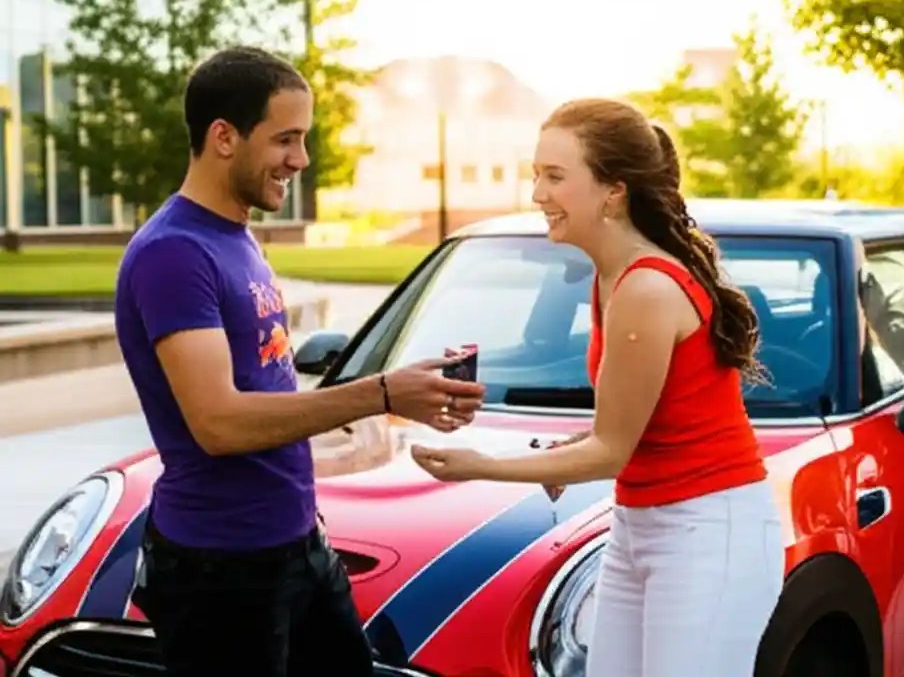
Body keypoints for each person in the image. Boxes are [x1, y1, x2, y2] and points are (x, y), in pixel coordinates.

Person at [114, 46, 486, 677]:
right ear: (224, 137)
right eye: (286, 138)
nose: (302, 160)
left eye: (304, 138)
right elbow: (220, 424)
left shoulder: (236, 236)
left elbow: (268, 385)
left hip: (295, 545)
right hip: (221, 569)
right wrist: (381, 393)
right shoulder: (173, 254)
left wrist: (392, 403)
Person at [408, 97, 784, 676]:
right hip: (642, 522)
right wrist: (571, 448)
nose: (537, 194)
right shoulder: (612, 276)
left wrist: (476, 465)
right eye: (536, 174)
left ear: (614, 190)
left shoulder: (646, 287)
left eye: (555, 176)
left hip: (709, 532)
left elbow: (612, 450)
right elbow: (640, 421)